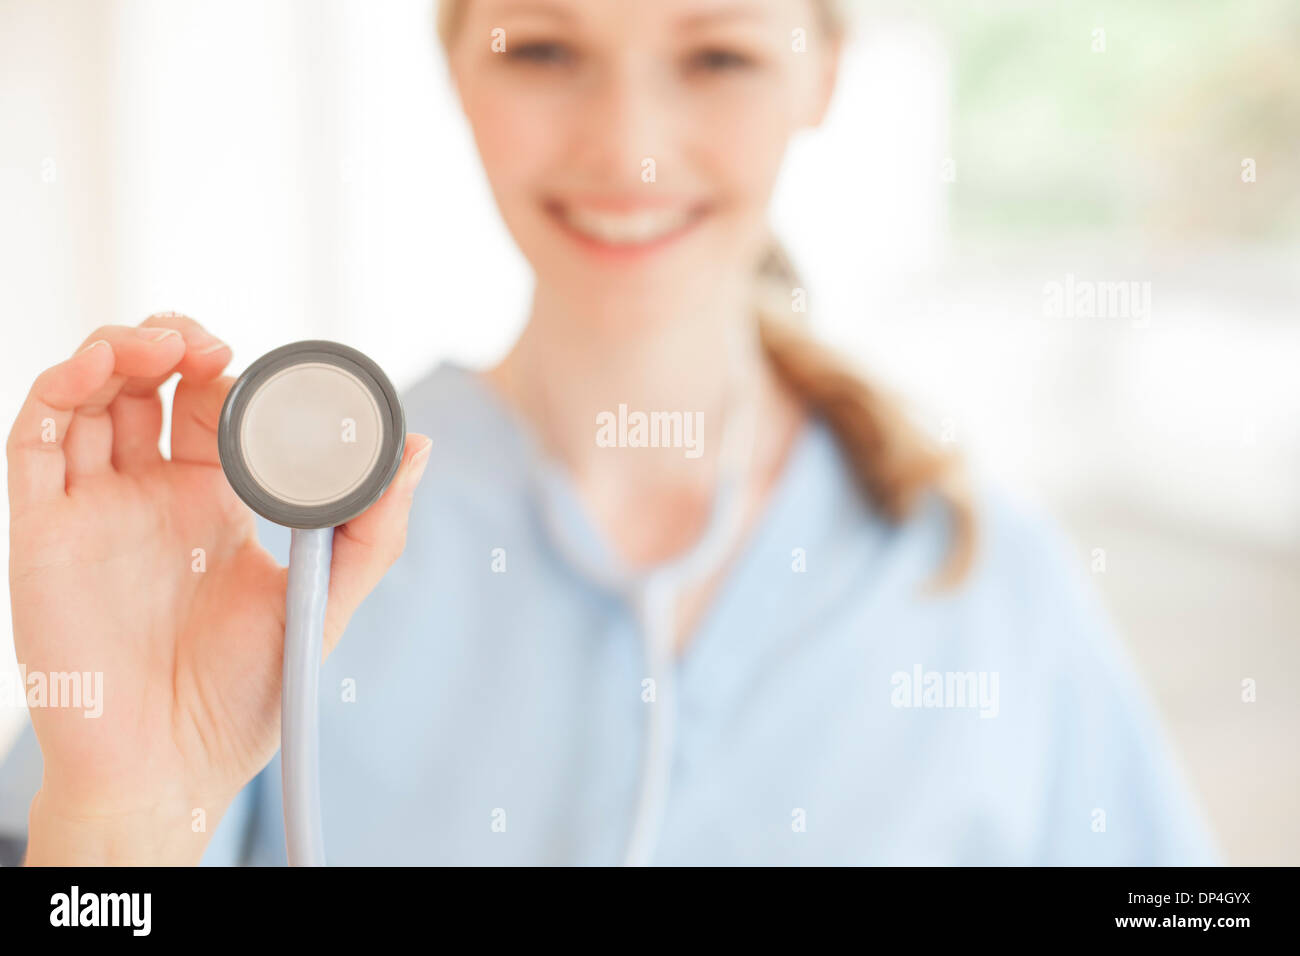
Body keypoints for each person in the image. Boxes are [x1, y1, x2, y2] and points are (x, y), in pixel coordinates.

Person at [2, 0, 1217, 865]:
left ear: (823, 74)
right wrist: (116, 819)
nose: (627, 147)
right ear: (455, 62)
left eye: (718, 55)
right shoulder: (260, 555)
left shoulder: (987, 578)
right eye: (543, 48)